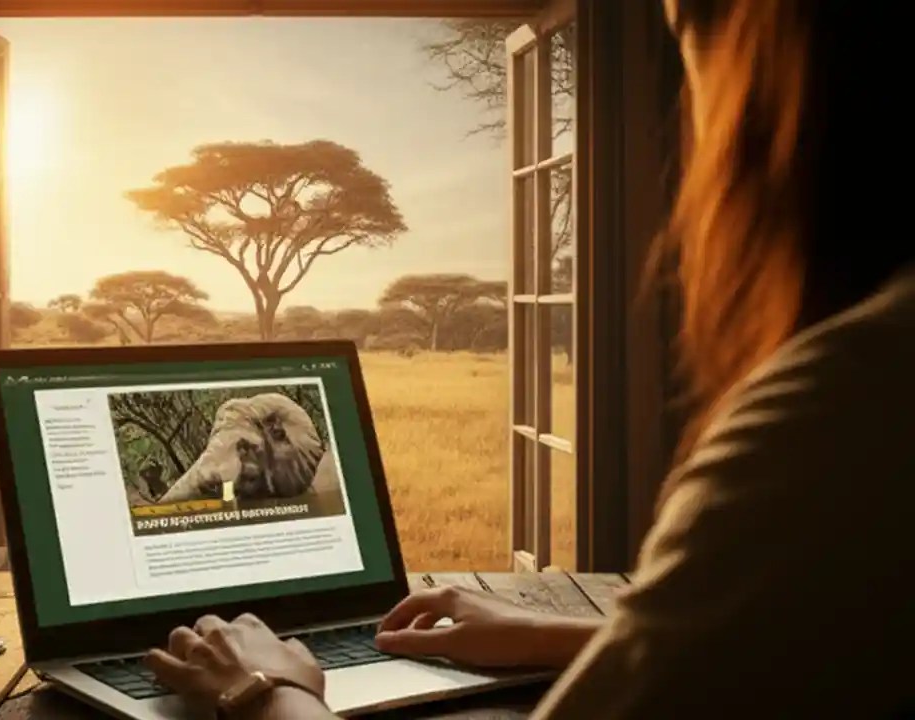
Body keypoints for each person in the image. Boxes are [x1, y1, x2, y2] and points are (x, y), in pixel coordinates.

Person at [143, 0, 915, 716]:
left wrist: (263, 690)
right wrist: (562, 637)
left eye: (688, 40)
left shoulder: (840, 409)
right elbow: (792, 640)